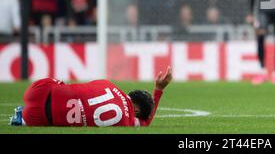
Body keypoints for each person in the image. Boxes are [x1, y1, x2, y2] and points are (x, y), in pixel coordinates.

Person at [9, 67, 172, 127]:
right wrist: (159, 90)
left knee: (64, 85)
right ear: (135, 111)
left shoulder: (108, 85)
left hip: (38, 91)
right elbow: (146, 122)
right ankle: (22, 118)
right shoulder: (127, 122)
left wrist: (157, 88)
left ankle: (23, 111)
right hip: (40, 119)